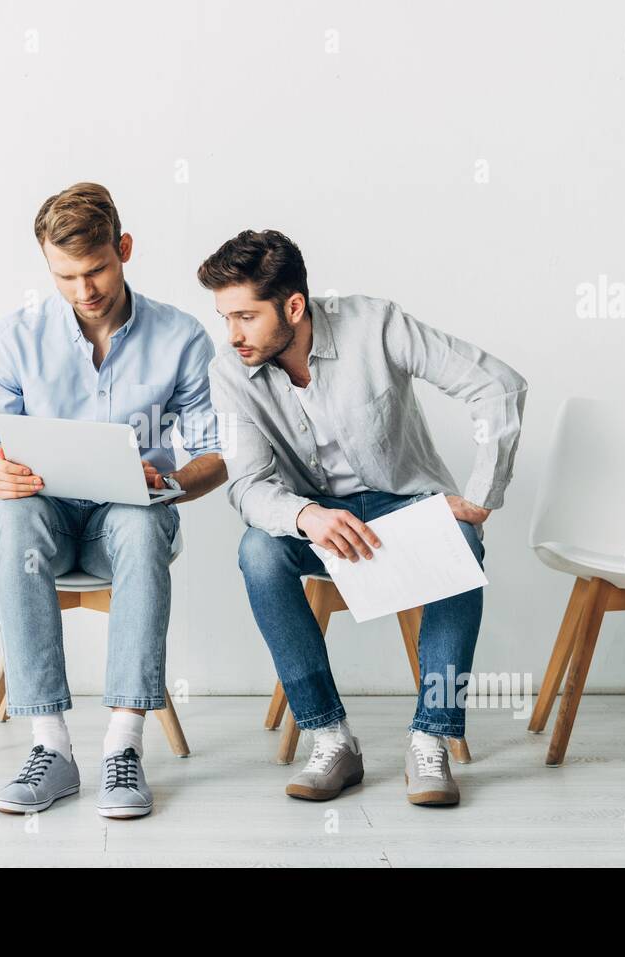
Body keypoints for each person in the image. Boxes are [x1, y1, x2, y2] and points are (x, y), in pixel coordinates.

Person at [199, 229, 527, 806]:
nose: (234, 335)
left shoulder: (374, 325)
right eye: (226, 318)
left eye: (246, 317)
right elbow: (247, 484)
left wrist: (481, 495)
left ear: (293, 306)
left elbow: (498, 385)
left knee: (461, 537)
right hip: (320, 523)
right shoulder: (229, 371)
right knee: (257, 551)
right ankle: (330, 737)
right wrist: (305, 516)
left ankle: (431, 738)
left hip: (403, 505)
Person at [0, 183, 226, 818]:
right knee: (16, 514)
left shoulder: (181, 336)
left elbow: (219, 452)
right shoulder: (13, 338)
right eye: (66, 276)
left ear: (123, 249)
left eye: (97, 269)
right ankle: (50, 749)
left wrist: (169, 483)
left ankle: (123, 746)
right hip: (39, 520)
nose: (85, 291)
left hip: (125, 523)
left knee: (137, 521)